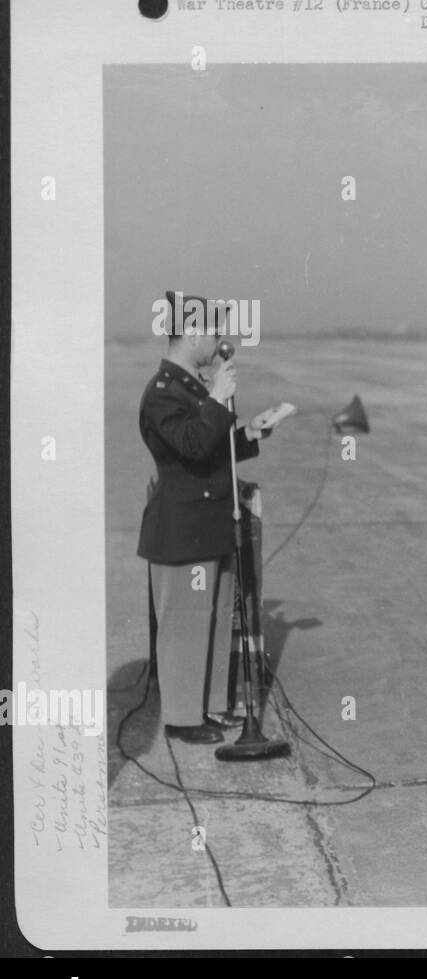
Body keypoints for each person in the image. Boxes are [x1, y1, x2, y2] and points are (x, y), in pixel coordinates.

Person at [138, 292, 279, 744]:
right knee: (185, 620)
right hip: (183, 529)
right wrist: (218, 397)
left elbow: (214, 447)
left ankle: (211, 705)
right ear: (192, 333)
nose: (219, 340)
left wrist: (251, 433)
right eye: (213, 332)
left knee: (214, 617)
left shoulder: (191, 386)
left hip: (210, 523)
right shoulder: (162, 395)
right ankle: (182, 718)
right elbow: (194, 447)